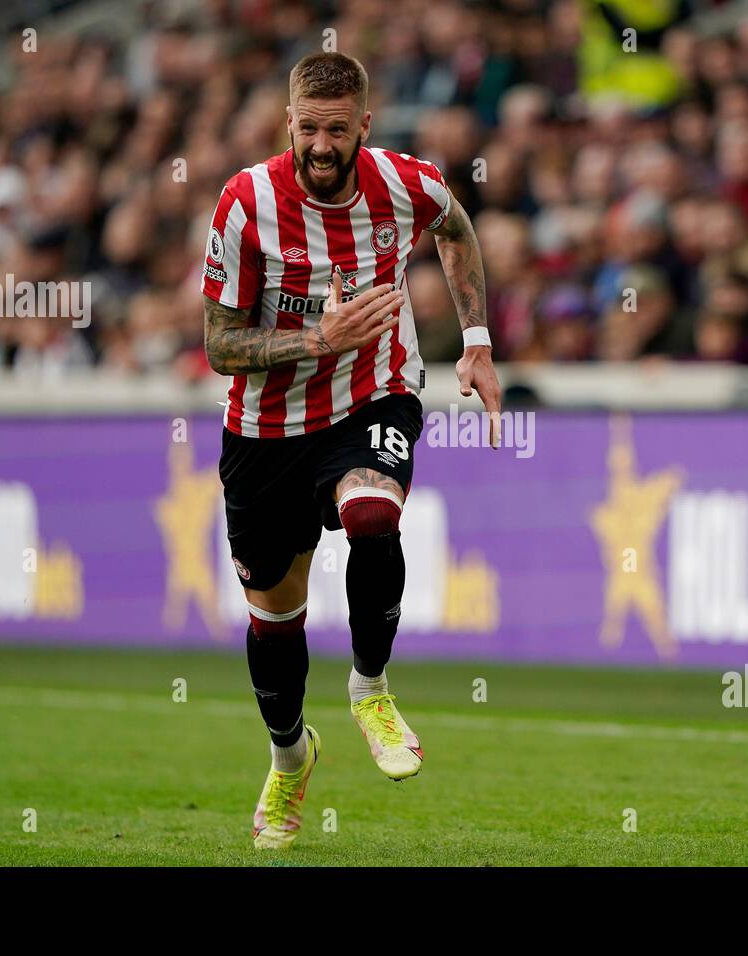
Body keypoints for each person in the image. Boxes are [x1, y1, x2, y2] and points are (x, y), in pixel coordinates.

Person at [201, 52, 502, 849]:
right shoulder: (245, 203)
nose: (322, 145)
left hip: (375, 393)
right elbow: (219, 345)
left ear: (363, 126)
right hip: (265, 431)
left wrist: (475, 341)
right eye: (308, 129)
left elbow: (456, 226)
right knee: (275, 617)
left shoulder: (406, 184)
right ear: (287, 123)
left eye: (338, 130)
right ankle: (291, 756)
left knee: (373, 514)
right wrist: (316, 336)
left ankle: (370, 688)